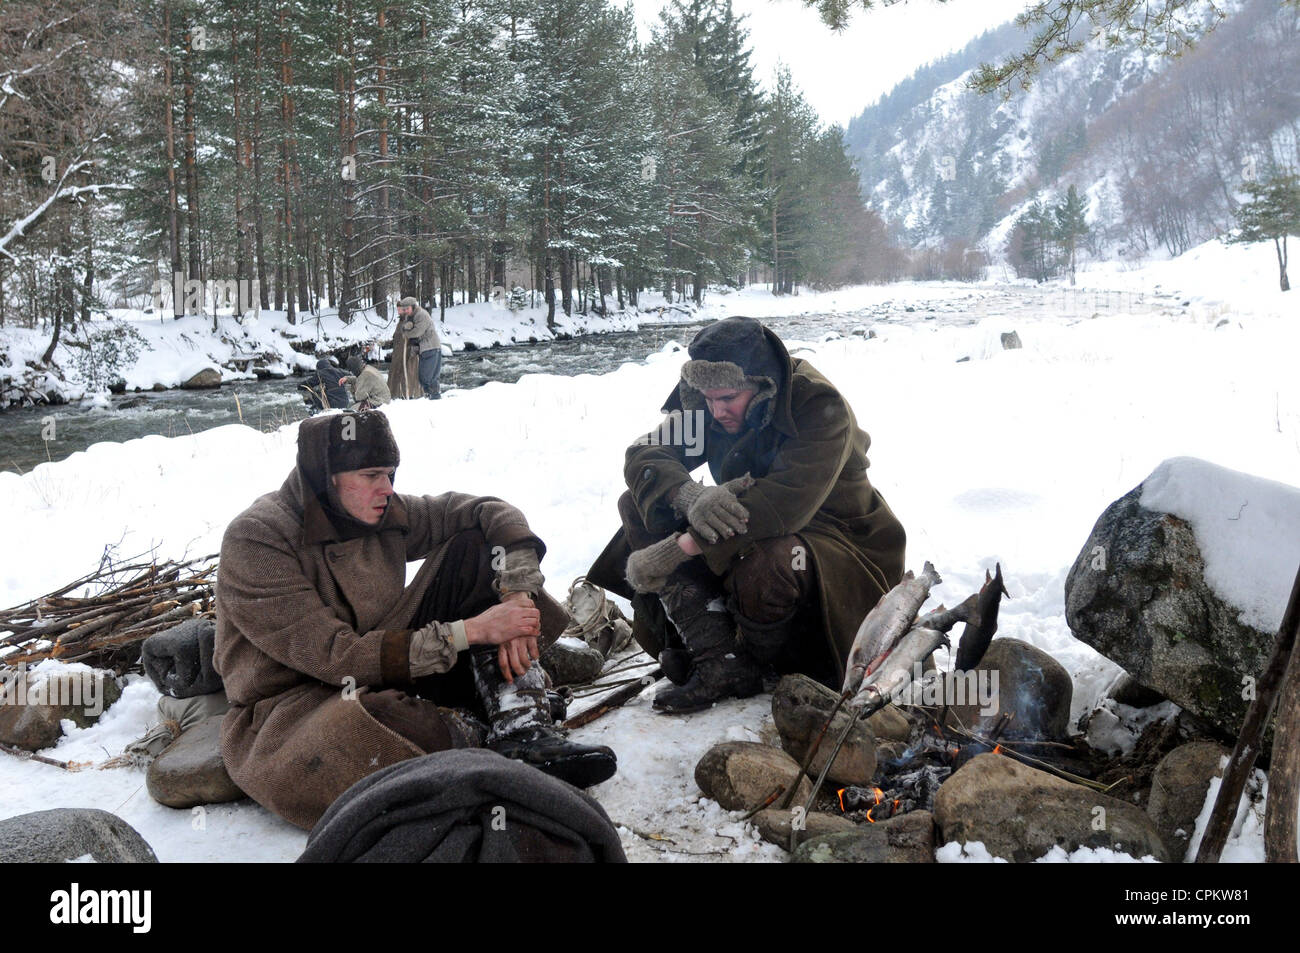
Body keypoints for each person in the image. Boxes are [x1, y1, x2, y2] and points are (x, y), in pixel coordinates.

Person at [214, 410, 617, 830]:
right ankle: (482, 731)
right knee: (384, 729)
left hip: (384, 661)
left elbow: (488, 510)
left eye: (390, 474)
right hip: (298, 704)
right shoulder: (258, 538)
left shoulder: (382, 511)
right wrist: (475, 630)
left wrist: (516, 591)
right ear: (327, 475)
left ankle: (523, 727)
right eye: (371, 475)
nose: (387, 489)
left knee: (477, 546)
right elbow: (334, 656)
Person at [586, 316, 907, 713]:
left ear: (761, 386)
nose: (716, 411)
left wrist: (680, 547)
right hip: (751, 522)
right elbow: (645, 453)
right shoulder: (710, 399)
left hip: (835, 538)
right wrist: (688, 496)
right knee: (638, 504)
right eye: (708, 399)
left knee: (771, 560)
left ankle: (764, 660)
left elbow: (780, 506)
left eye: (727, 400)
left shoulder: (818, 406)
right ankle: (719, 658)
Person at [397, 295, 442, 399]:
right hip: (426, 348)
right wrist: (406, 326)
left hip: (430, 347)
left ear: (413, 306)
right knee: (426, 377)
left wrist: (406, 333)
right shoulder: (412, 315)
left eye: (407, 309)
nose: (405, 311)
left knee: (427, 377)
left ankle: (434, 397)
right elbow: (408, 324)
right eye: (404, 309)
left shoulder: (422, 315)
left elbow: (417, 332)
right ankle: (432, 397)